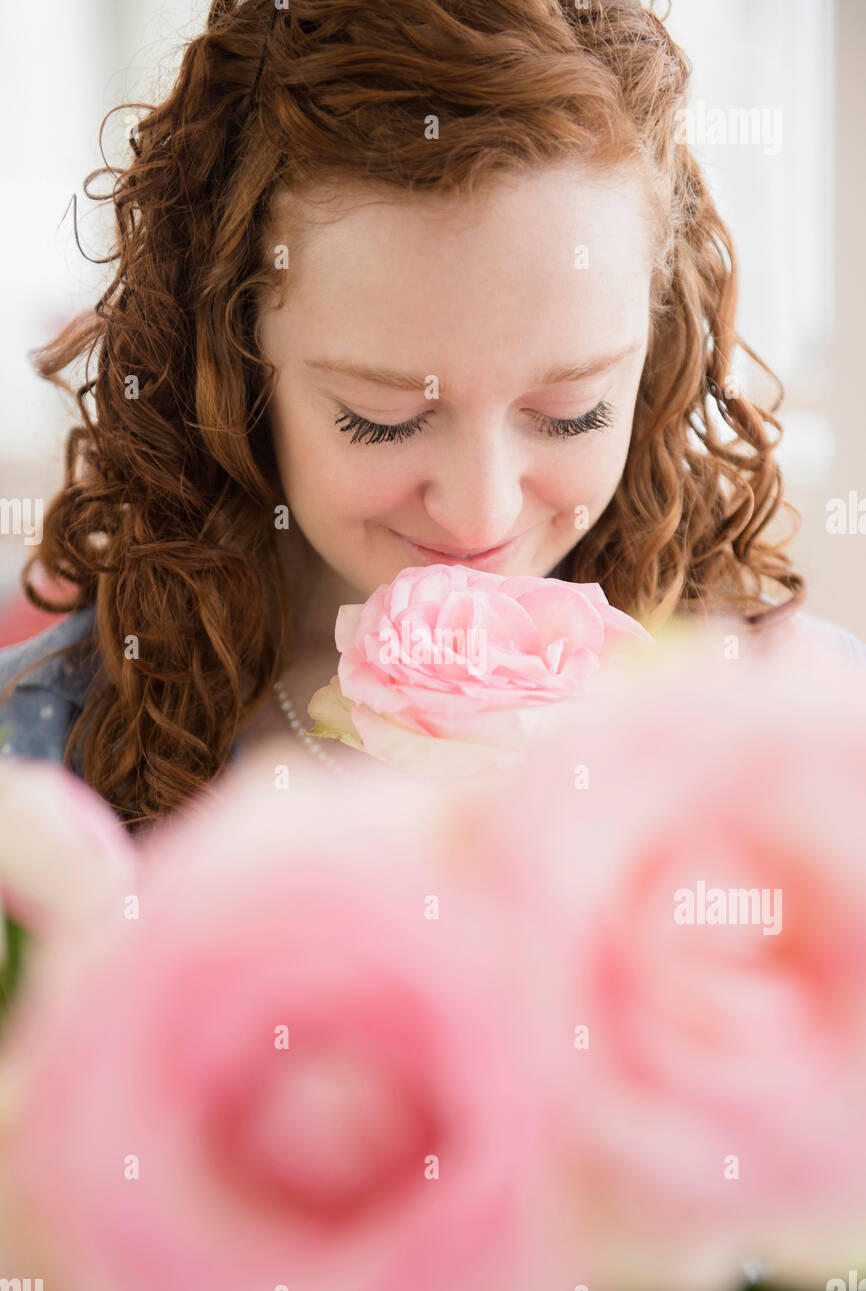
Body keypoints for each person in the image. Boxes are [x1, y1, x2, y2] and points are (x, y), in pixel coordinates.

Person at [0, 0, 862, 827]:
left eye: (572, 413)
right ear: (229, 359)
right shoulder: (39, 771)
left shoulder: (811, 730)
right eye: (382, 420)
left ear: (657, 346)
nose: (481, 513)